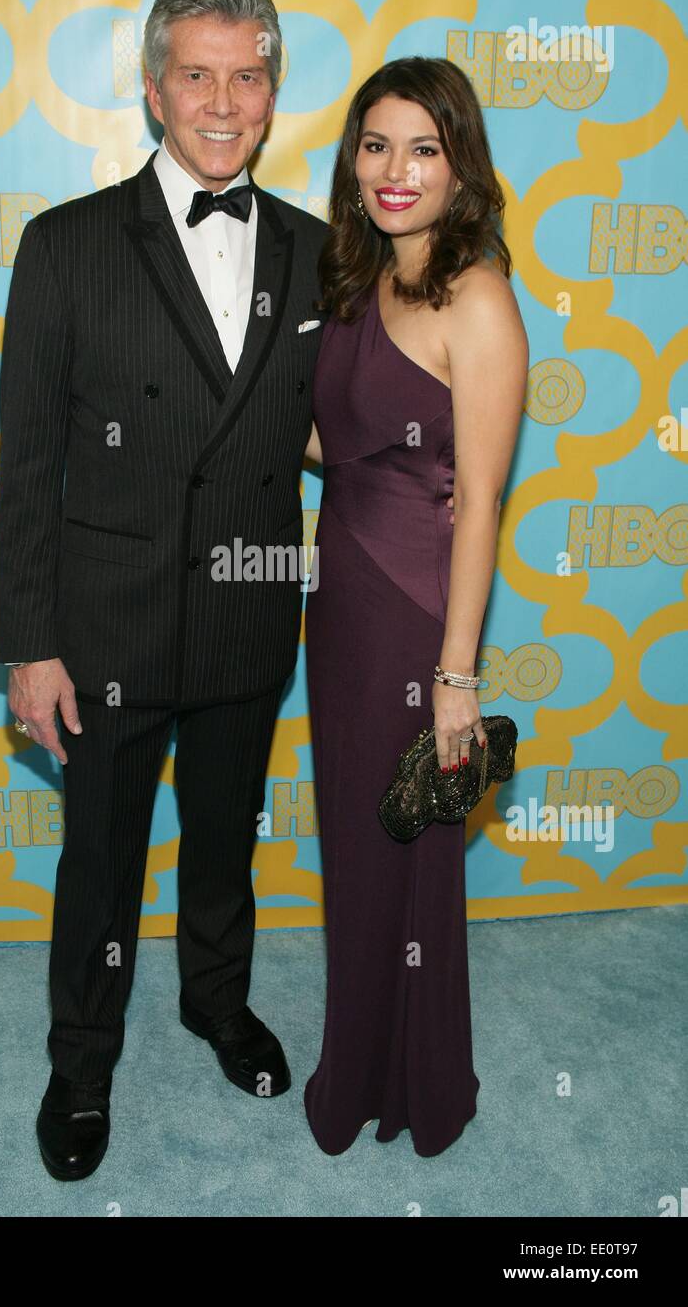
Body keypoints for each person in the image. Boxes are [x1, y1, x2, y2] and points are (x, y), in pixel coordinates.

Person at [0, 0, 340, 1181]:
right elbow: (26, 464)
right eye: (196, 72)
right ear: (150, 90)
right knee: (98, 863)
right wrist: (27, 645)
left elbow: (335, 426)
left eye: (248, 74)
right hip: (103, 631)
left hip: (248, 609)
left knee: (223, 845)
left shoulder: (316, 252)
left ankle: (214, 1003)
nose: (223, 99)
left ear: (274, 91)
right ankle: (82, 1064)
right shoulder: (64, 246)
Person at [302, 57, 528, 1157]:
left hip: (413, 614)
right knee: (355, 847)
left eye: (423, 149)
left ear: (458, 165)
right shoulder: (351, 283)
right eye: (376, 144)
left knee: (412, 847)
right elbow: (332, 442)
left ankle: (417, 1084)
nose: (395, 171)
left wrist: (454, 677)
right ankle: (355, 1070)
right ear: (352, 160)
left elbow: (479, 500)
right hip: (335, 607)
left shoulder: (474, 296)